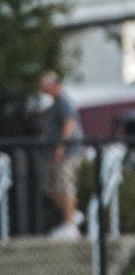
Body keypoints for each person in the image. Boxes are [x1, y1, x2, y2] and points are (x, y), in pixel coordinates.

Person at [39, 69, 81, 240]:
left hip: (67, 154)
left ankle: (70, 225)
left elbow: (69, 123)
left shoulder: (64, 102)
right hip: (53, 153)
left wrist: (61, 146)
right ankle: (72, 214)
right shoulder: (54, 104)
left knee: (65, 185)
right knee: (51, 188)